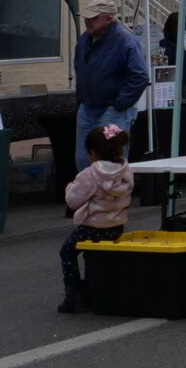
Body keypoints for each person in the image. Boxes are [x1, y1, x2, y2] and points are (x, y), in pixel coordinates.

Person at [58, 120, 135, 314]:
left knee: (67, 252)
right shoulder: (126, 171)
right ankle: (101, 291)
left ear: (92, 153)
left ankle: (73, 293)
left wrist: (70, 187)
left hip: (93, 226)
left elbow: (73, 201)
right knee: (99, 256)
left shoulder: (91, 174)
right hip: (116, 225)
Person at [74, 0, 150, 162]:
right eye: (86, 17)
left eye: (93, 17)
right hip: (87, 108)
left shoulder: (125, 41)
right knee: (83, 159)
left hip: (112, 110)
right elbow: (79, 68)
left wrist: (119, 104)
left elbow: (140, 76)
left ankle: (114, 189)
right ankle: (91, 189)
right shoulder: (85, 39)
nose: (87, 21)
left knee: (112, 159)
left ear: (109, 18)